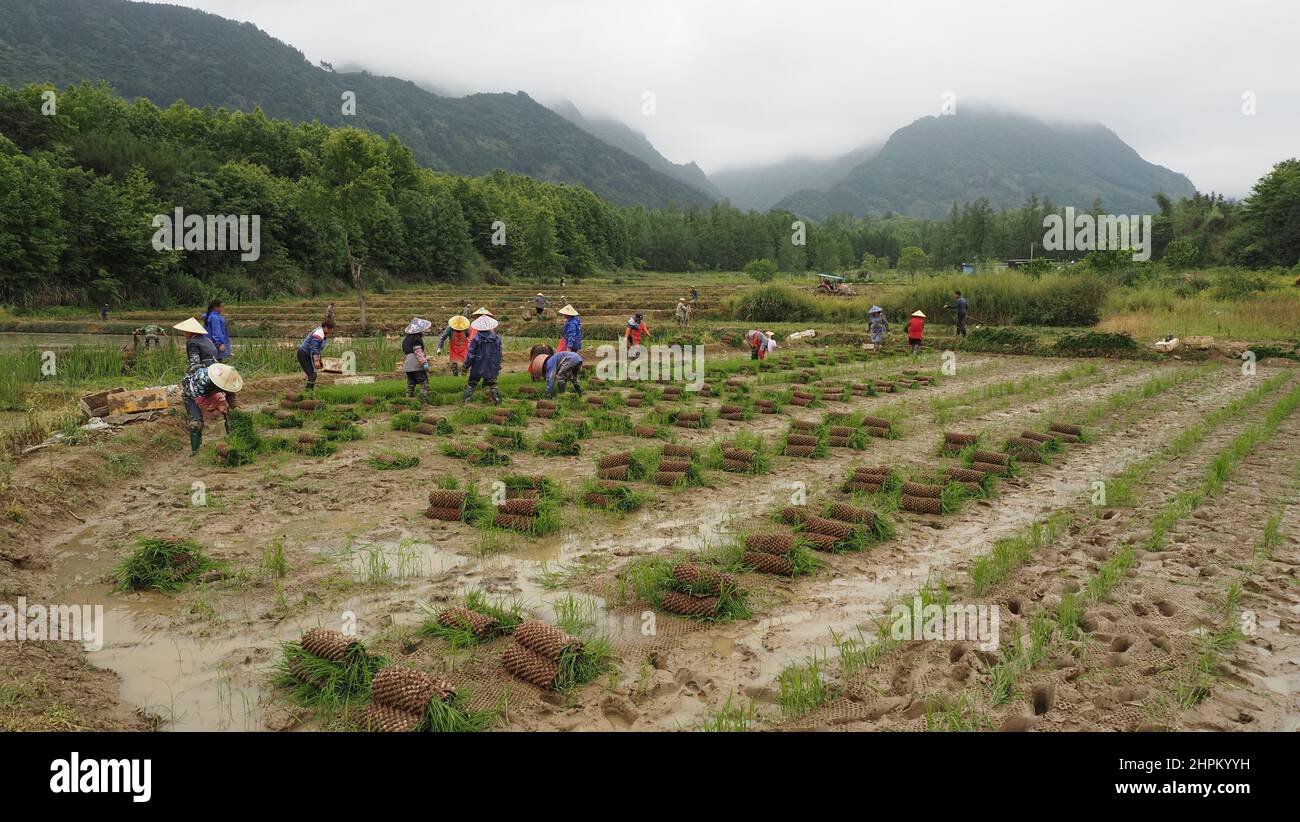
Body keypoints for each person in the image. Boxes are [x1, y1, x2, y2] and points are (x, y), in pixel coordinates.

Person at [181, 362, 242, 456]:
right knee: (196, 424)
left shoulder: (226, 378)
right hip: (193, 395)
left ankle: (234, 440)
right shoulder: (202, 379)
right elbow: (200, 402)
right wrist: (217, 407)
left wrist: (233, 406)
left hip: (210, 391)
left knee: (231, 412)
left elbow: (231, 395)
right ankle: (196, 453)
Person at [462, 315, 502, 404]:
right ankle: (497, 400)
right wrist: (498, 365)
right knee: (492, 384)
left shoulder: (476, 339)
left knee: (472, 383)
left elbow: (470, 355)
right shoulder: (497, 338)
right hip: (491, 366)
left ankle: (466, 402)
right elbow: (499, 354)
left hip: (477, 366)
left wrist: (465, 366)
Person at [401, 318, 433, 404]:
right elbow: (418, 352)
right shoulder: (416, 338)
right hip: (416, 366)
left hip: (408, 366)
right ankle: (424, 402)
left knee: (410, 385)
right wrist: (424, 363)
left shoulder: (406, 339)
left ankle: (408, 401)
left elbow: (406, 353)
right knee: (424, 384)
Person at [298, 320, 334, 393]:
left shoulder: (323, 333)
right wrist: (316, 361)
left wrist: (320, 359)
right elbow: (314, 348)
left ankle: (309, 393)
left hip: (307, 354)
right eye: (330, 329)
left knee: (313, 375)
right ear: (326, 328)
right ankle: (307, 394)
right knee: (312, 375)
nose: (331, 331)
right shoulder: (319, 334)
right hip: (303, 354)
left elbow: (318, 349)